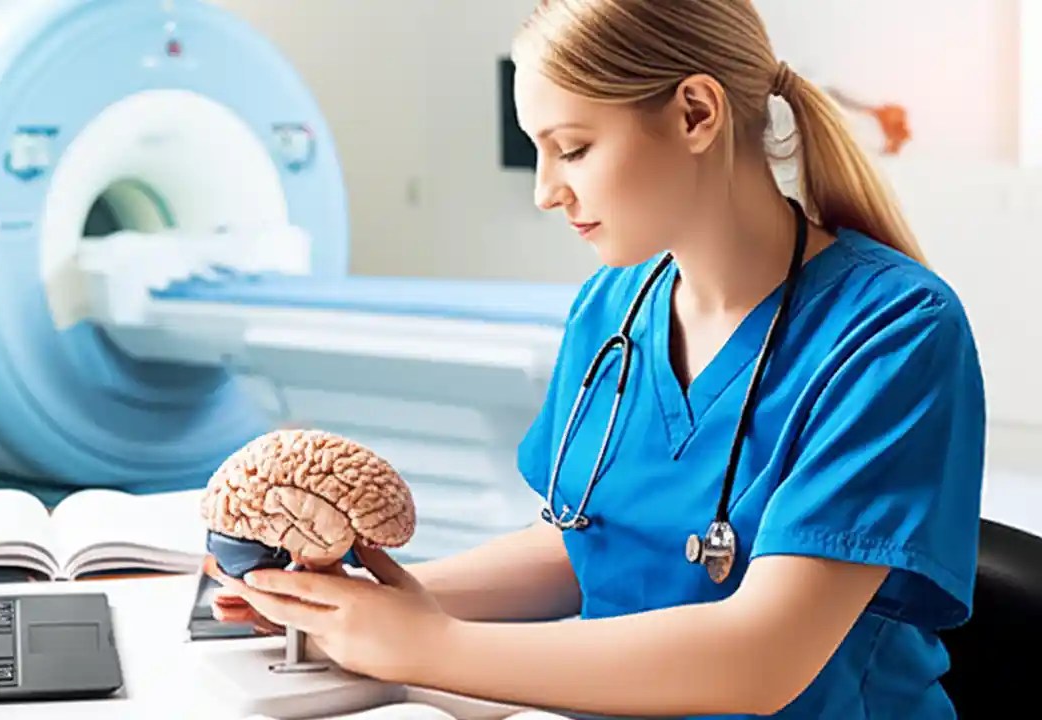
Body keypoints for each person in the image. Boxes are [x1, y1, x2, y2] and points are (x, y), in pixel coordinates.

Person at [205, 1, 986, 717]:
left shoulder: (894, 332)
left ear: (695, 113)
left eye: (572, 149)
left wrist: (430, 646)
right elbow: (585, 545)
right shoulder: (615, 309)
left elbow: (763, 656)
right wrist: (344, 601)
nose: (547, 191)